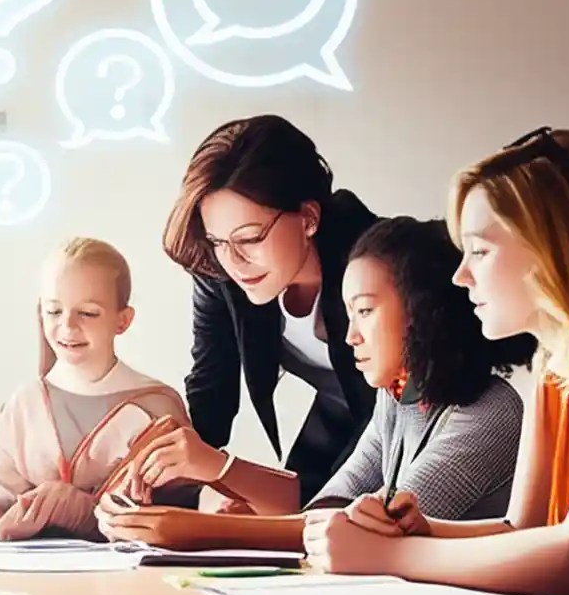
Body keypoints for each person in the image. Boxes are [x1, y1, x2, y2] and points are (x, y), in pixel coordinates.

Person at [303, 128, 569, 595]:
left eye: (479, 251)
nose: (460, 276)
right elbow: (523, 529)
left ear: (553, 245)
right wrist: (418, 532)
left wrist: (387, 557)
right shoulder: (553, 366)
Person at [97, 218, 532, 544]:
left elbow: (376, 530)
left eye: (364, 310)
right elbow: (329, 505)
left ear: (423, 312)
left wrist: (200, 529)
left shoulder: (490, 412)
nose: (350, 336)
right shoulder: (396, 400)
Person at [152, 115, 383, 507]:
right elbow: (212, 391)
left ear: (308, 218)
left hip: (407, 420)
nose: (234, 262)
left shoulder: (376, 261)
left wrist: (248, 487)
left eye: (251, 238)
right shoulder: (221, 272)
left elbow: (394, 415)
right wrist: (169, 474)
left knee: (324, 517)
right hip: (338, 413)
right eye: (217, 241)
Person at [0, 238, 189, 541]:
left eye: (88, 313)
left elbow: (182, 512)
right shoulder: (25, 404)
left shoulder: (157, 409)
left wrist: (85, 513)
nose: (68, 326)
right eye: (54, 311)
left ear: (123, 320)